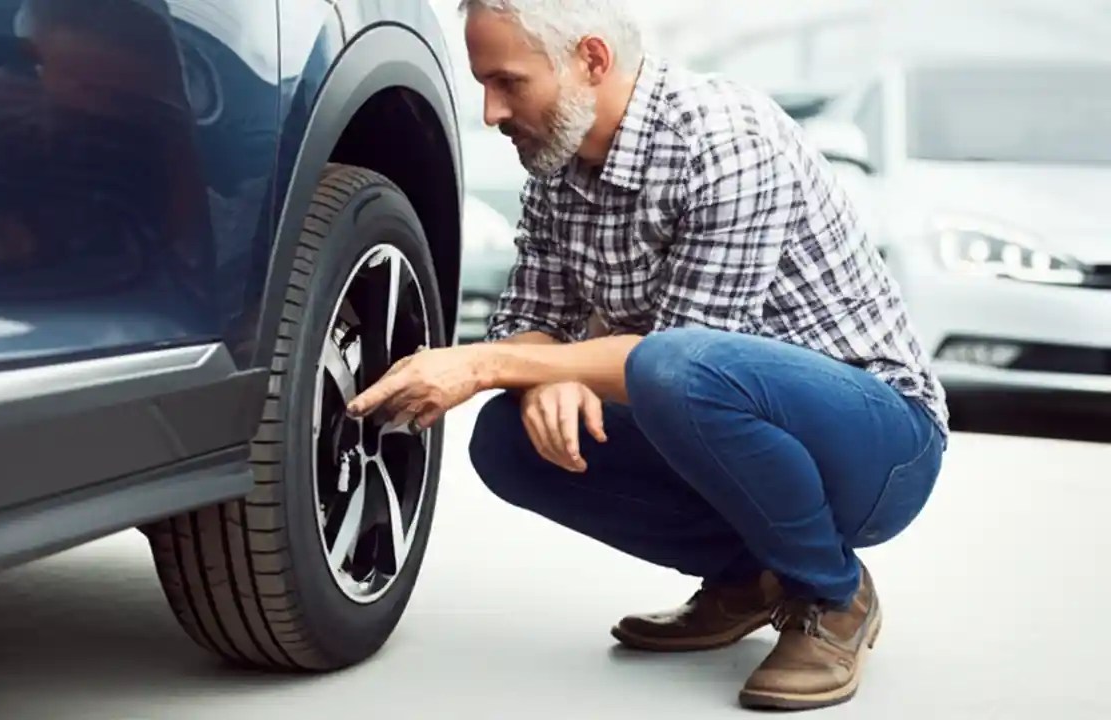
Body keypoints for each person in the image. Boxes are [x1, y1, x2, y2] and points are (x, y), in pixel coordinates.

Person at [346, 0, 947, 710]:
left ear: (591, 61)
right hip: (712, 411)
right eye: (483, 84)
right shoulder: (557, 163)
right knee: (508, 442)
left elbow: (688, 353)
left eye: (509, 83)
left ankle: (831, 595)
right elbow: (533, 320)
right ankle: (751, 578)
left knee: (673, 371)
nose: (490, 112)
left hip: (878, 443)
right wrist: (544, 376)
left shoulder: (726, 141)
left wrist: (489, 365)